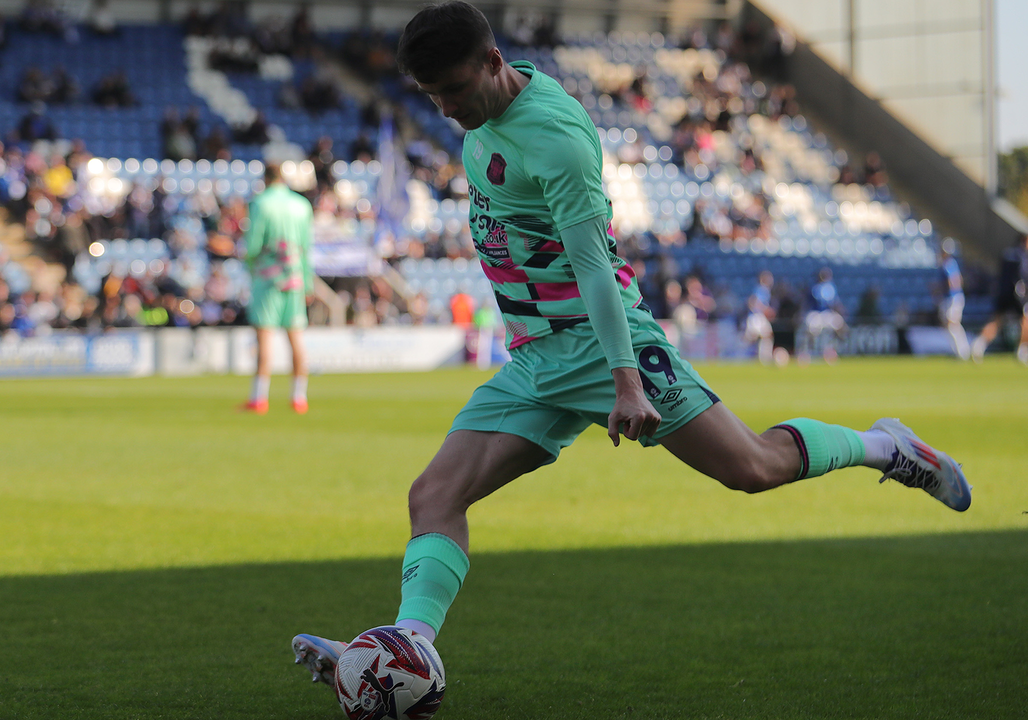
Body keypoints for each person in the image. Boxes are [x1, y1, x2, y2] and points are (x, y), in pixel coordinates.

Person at [289, 2, 973, 707]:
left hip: (602, 344)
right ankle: (401, 653)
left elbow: (593, 266)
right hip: (536, 359)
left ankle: (887, 448)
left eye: (454, 91)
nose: (446, 108)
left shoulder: (555, 137)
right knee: (433, 496)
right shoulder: (484, 111)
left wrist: (625, 382)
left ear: (493, 63)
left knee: (753, 468)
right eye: (433, 96)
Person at [240, 162, 314, 414]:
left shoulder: (260, 204)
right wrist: (308, 280)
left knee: (264, 338)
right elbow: (307, 247)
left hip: (267, 277)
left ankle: (259, 397)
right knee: (296, 338)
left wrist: (249, 266)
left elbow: (253, 244)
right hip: (294, 277)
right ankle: (298, 397)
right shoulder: (302, 205)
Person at [970, 233, 1028, 363]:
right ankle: (1022, 351)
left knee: (996, 321)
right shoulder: (1022, 256)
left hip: (1002, 293)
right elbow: (1022, 276)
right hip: (1017, 294)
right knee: (1025, 320)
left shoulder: (1007, 254)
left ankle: (979, 345)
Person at [936, 239, 970, 360]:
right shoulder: (947, 264)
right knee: (950, 325)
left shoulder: (948, 264)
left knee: (952, 325)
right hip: (950, 298)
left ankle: (963, 351)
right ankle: (959, 351)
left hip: (953, 298)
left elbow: (954, 281)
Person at [743, 269, 775, 363]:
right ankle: (741, 354)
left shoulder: (763, 290)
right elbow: (753, 302)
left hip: (758, 316)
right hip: (756, 316)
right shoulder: (761, 289)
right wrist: (766, 310)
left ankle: (764, 357)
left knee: (766, 335)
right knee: (751, 338)